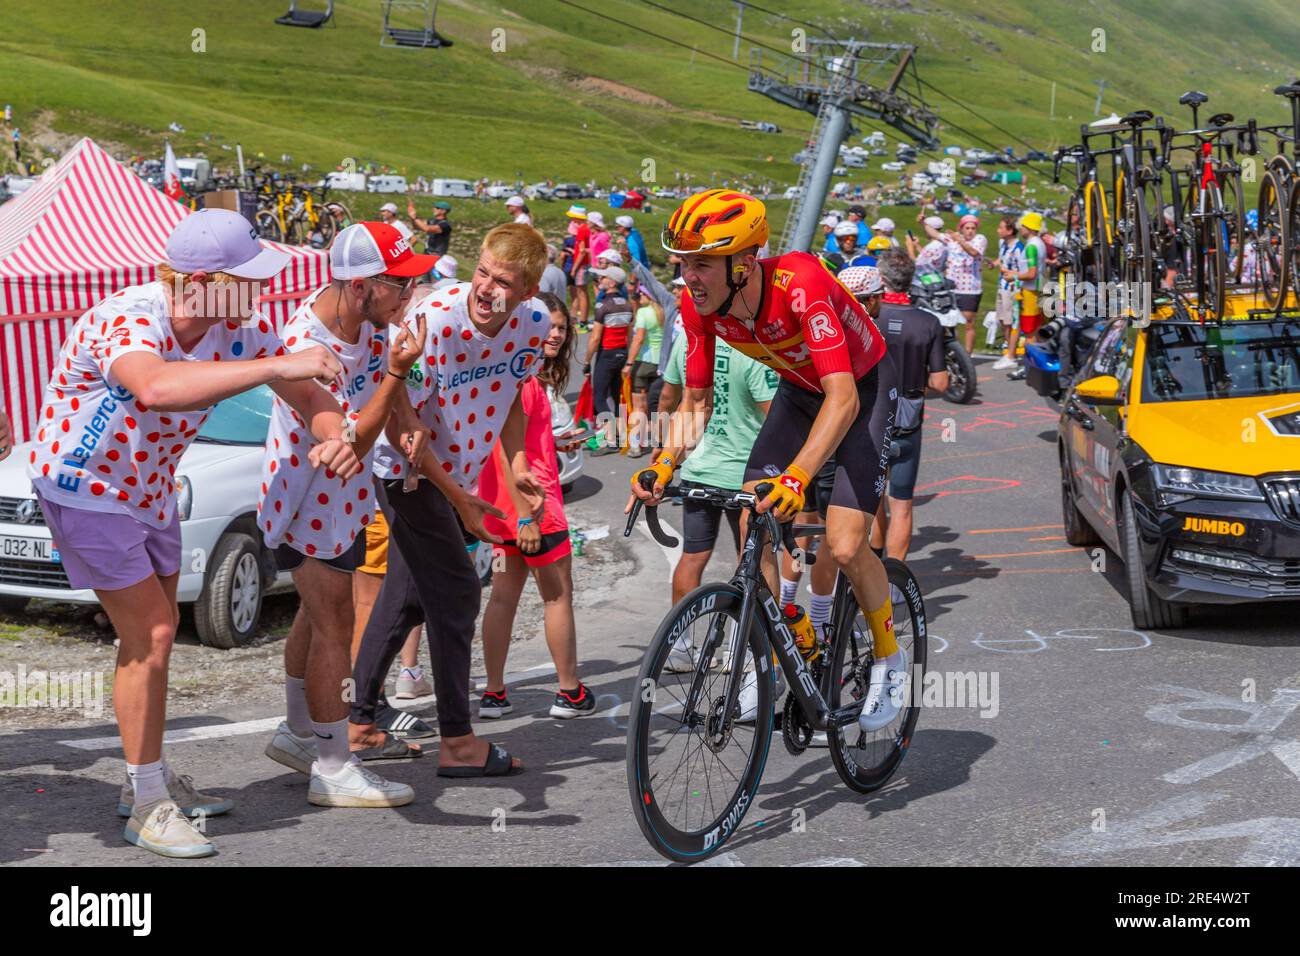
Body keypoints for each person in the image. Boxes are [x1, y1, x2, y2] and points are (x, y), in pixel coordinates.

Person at [27, 209, 361, 857]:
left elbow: (312, 398)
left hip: (149, 490)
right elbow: (155, 388)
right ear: (206, 282)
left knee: (158, 638)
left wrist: (335, 436)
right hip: (83, 485)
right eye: (250, 280)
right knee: (150, 631)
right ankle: (148, 805)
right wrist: (274, 367)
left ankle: (140, 783)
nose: (262, 293)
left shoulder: (239, 327)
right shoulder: (127, 318)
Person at [631, 189, 907, 734]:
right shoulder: (697, 306)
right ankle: (788, 635)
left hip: (861, 390)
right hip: (800, 395)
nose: (689, 276)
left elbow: (844, 399)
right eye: (684, 263)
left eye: (703, 263)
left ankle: (888, 658)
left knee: (847, 543)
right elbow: (696, 403)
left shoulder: (799, 284)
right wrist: (664, 464)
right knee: (751, 514)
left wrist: (798, 476)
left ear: (744, 261)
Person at [350, 222, 552, 780]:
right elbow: (399, 426)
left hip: (456, 477)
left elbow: (512, 395)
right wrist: (461, 499)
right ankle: (459, 741)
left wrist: (515, 468)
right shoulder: (433, 319)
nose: (485, 289)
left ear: (529, 292)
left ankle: (360, 722)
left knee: (409, 596)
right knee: (460, 590)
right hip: (408, 475)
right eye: (483, 272)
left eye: (503, 282)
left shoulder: (534, 323)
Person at [259, 223, 433, 807]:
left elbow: (388, 414)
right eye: (401, 284)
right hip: (308, 500)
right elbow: (350, 444)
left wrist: (407, 429)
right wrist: (396, 375)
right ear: (362, 286)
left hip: (341, 501)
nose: (412, 293)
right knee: (335, 628)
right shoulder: (303, 341)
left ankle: (298, 732)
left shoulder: (368, 323)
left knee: (312, 620)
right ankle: (333, 767)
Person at [477, 292, 593, 718]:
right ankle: (570, 692)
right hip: (535, 508)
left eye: (563, 327)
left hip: (501, 510)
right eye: (550, 325)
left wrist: (554, 442)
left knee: (503, 598)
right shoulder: (523, 379)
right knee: (557, 596)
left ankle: (493, 694)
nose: (558, 334)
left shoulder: (509, 373)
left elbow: (515, 441)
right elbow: (513, 453)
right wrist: (530, 514)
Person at [658, 321, 777, 609]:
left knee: (693, 555)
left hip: (698, 468)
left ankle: (679, 642)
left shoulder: (689, 341)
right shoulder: (752, 347)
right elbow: (776, 417)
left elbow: (669, 396)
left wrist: (665, 449)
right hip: (746, 474)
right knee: (758, 558)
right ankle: (758, 643)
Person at [867, 251, 948, 561]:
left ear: (882, 280)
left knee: (872, 497)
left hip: (870, 415)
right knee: (902, 502)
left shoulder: (869, 316)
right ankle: (895, 578)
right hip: (908, 419)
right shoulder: (929, 322)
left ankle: (872, 563)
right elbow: (940, 383)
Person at [582, 264, 634, 456]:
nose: (599, 280)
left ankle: (608, 440)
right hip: (622, 353)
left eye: (603, 278)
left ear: (612, 282)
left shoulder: (602, 305)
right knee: (616, 395)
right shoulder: (628, 305)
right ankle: (620, 437)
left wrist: (587, 360)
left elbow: (595, 338)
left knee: (600, 398)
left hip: (606, 354)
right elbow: (630, 334)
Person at [927, 213, 987, 355]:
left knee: (968, 323)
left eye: (973, 228)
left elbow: (973, 252)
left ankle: (968, 355)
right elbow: (935, 234)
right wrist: (924, 222)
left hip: (970, 289)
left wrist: (959, 239)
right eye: (967, 228)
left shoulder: (980, 239)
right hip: (952, 287)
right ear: (961, 228)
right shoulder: (952, 240)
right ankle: (957, 352)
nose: (970, 231)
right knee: (950, 322)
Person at [1003, 212, 1047, 378]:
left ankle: (1029, 368)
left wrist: (1013, 276)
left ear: (1028, 227)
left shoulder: (1031, 246)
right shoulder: (1039, 243)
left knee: (1029, 331)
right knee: (1035, 330)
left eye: (1022, 225)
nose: (1020, 228)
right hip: (1038, 290)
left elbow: (1031, 273)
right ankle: (1035, 366)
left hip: (1030, 292)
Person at [624, 284, 664, 456]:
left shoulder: (643, 312)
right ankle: (659, 443)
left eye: (640, 293)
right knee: (658, 406)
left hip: (643, 363)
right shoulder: (664, 312)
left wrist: (629, 363)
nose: (638, 296)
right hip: (661, 363)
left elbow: (639, 339)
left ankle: (635, 445)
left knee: (639, 407)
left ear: (648, 295)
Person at [992, 215, 1025, 370]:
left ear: (1010, 230)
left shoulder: (1018, 248)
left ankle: (1011, 354)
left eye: (1001, 227)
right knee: (1002, 320)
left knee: (1011, 320)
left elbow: (1022, 271)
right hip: (1002, 285)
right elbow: (1001, 258)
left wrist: (1010, 272)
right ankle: (1008, 351)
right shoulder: (1003, 243)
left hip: (1012, 288)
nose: (998, 230)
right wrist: (994, 263)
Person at [564, 204, 591, 324]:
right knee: (583, 292)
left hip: (581, 265)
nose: (571, 219)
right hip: (586, 264)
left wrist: (574, 268)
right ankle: (583, 319)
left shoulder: (581, 230)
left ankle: (583, 321)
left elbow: (581, 251)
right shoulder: (587, 228)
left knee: (581, 293)